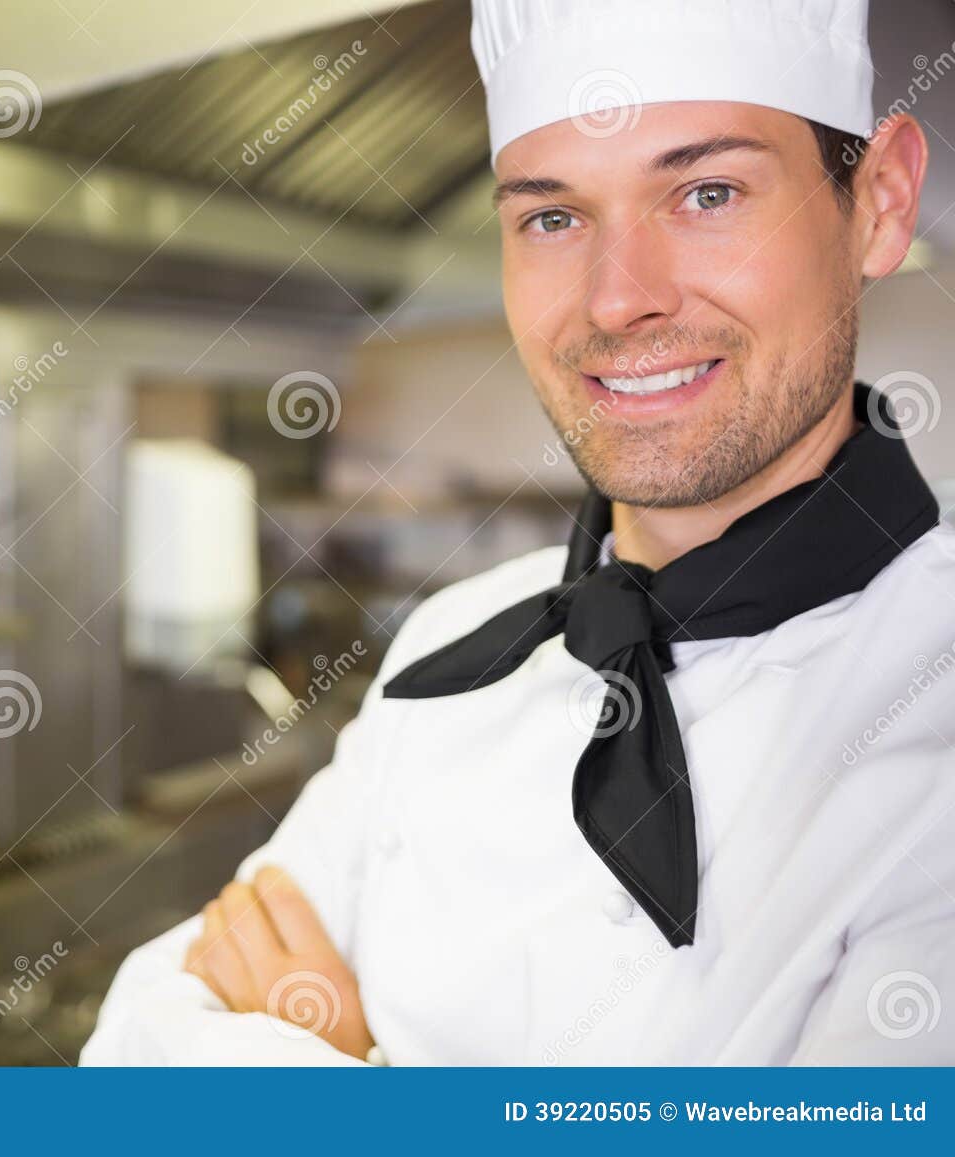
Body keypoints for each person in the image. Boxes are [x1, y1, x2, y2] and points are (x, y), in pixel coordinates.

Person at [81, 0, 955, 1065]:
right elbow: (142, 1036)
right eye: (551, 216)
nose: (616, 298)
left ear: (878, 201)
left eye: (707, 191)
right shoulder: (458, 635)